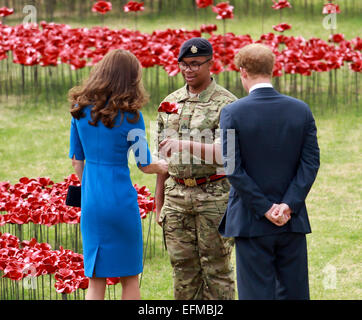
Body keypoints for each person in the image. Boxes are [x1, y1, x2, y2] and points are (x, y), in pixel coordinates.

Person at [219, 43, 320, 300]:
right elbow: (310, 164)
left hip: (250, 220)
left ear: (242, 72)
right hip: (292, 220)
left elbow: (233, 168)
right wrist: (287, 204)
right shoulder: (301, 110)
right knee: (295, 293)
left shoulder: (232, 112)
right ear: (272, 70)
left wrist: (264, 208)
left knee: (255, 293)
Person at [68, 49, 168, 300]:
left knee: (96, 279)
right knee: (130, 278)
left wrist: (90, 185)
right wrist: (165, 166)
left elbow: (76, 160)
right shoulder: (132, 116)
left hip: (92, 202)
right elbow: (144, 164)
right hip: (121, 201)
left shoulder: (79, 110)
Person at [155, 38, 236, 300]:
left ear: (211, 64)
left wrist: (184, 143)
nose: (188, 70)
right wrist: (159, 204)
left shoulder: (228, 104)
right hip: (176, 196)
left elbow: (227, 155)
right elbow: (162, 161)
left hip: (214, 196)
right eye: (183, 65)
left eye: (195, 64)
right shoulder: (170, 103)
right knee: (183, 271)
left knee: (217, 271)